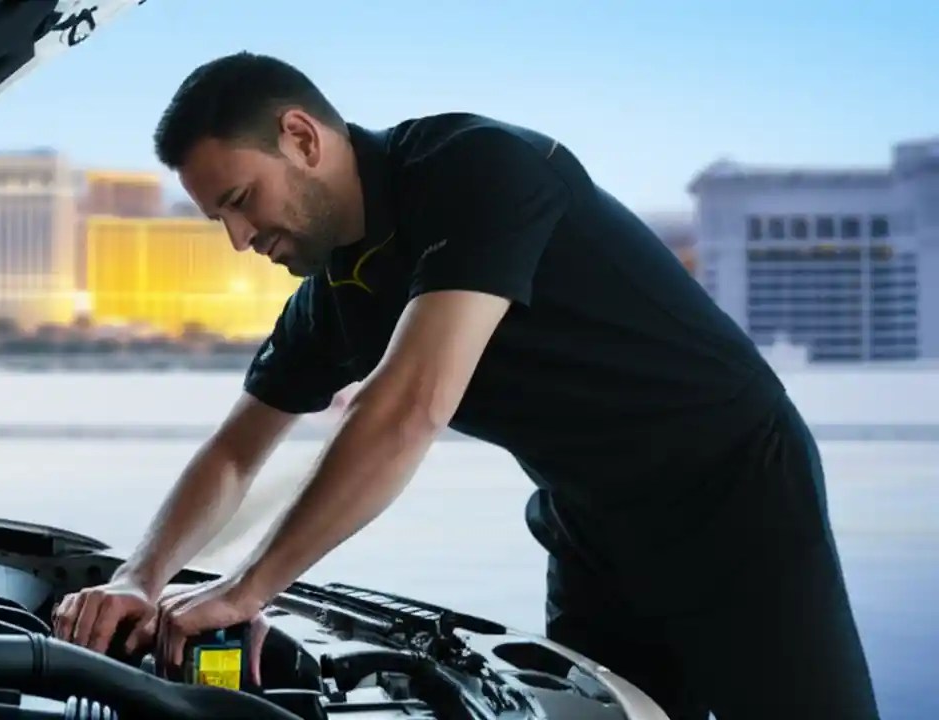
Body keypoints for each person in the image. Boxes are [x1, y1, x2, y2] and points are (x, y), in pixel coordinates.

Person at [52, 51, 880, 719]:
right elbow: (235, 453)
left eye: (239, 200)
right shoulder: (332, 299)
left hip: (732, 492)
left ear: (302, 138)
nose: (238, 238)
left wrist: (247, 589)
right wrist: (141, 576)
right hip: (591, 523)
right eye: (216, 219)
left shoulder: (479, 168)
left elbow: (411, 406)